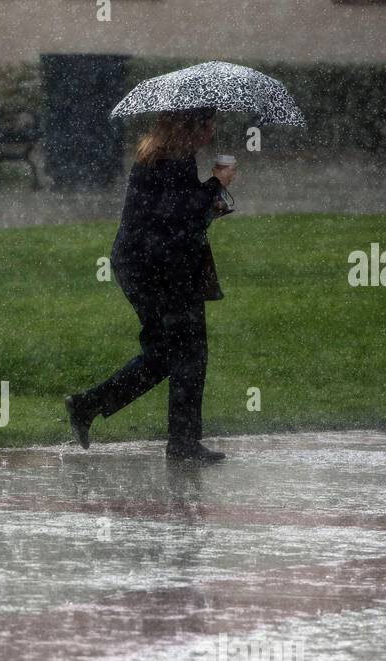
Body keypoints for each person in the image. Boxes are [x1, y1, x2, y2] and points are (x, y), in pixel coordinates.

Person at [65, 107, 235, 462]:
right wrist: (218, 184)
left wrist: (210, 200)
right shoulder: (172, 160)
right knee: (188, 353)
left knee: (163, 355)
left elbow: (176, 214)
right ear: (190, 127)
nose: (210, 133)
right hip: (161, 270)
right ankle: (183, 443)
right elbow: (176, 215)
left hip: (145, 266)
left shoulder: (163, 154)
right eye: (207, 126)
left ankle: (88, 406)